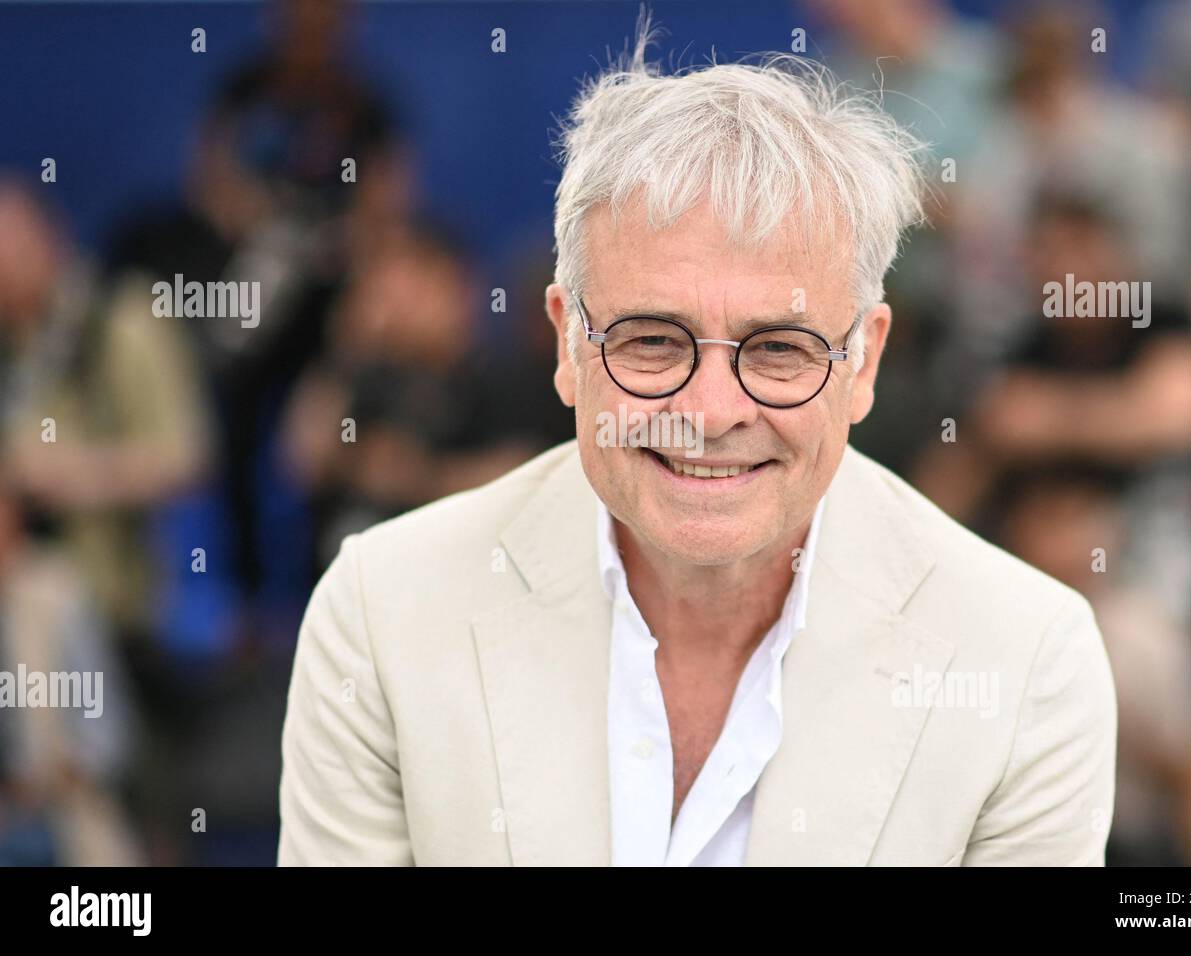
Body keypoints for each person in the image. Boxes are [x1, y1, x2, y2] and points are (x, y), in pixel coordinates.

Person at [278, 23, 1117, 866]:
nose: (710, 410)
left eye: (781, 348)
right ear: (568, 345)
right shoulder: (382, 614)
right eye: (652, 340)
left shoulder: (1027, 663)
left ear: (864, 364)